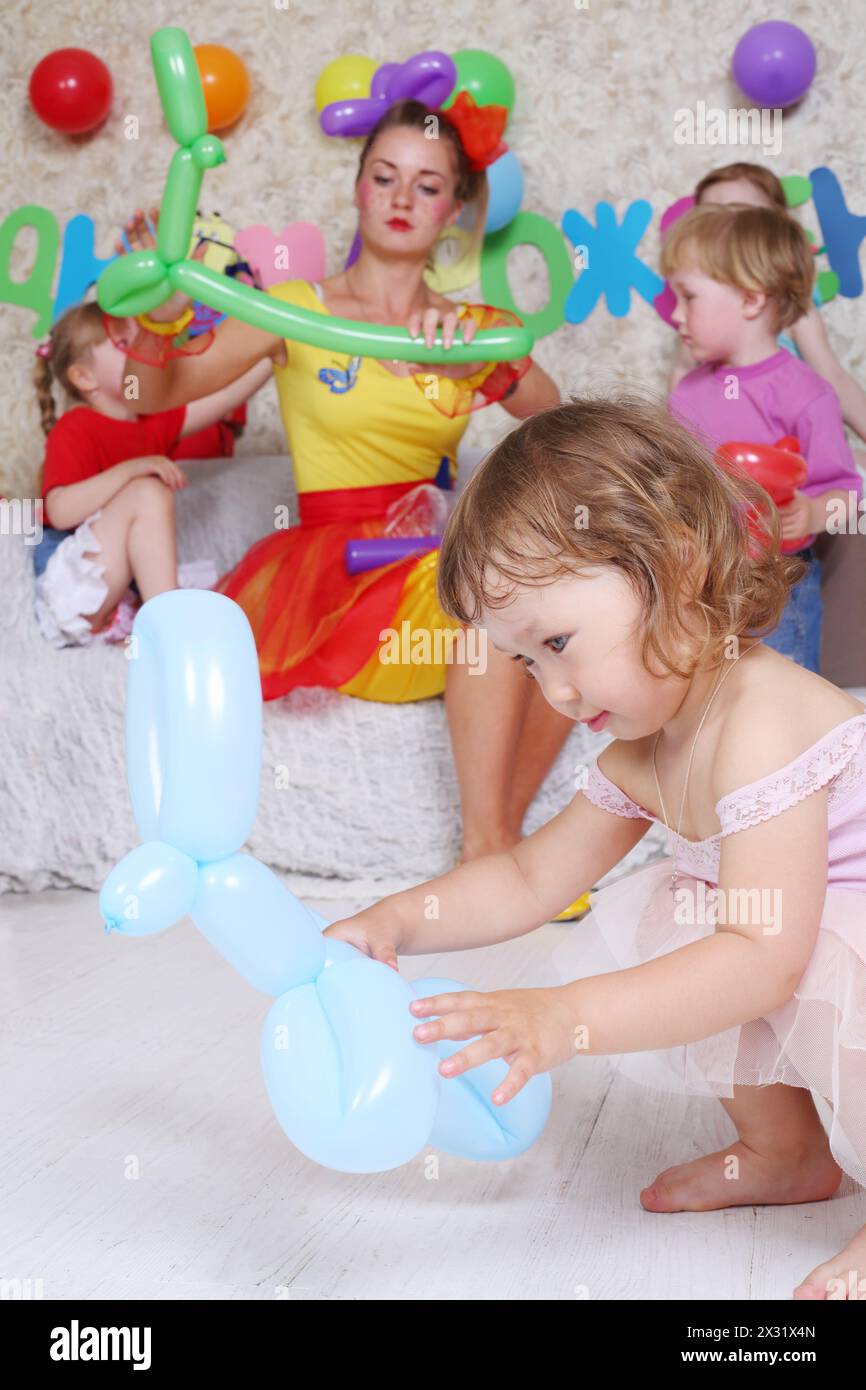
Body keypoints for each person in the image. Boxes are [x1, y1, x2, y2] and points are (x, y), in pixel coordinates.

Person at [323, 396, 866, 1301]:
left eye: (559, 643)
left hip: (829, 942)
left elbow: (766, 961)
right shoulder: (643, 753)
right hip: (794, 941)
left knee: (769, 952)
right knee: (681, 918)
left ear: (679, 564)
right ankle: (787, 1152)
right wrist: (396, 921)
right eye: (527, 662)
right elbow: (532, 876)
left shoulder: (761, 720)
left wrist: (560, 1016)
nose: (556, 692)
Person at [118, 98, 589, 919]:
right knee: (487, 601)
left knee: (568, 601)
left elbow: (559, 422)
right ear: (358, 188)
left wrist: (472, 353)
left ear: (452, 211)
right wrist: (158, 315)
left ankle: (498, 844)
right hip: (337, 573)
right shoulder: (294, 307)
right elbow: (155, 394)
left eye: (428, 184)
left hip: (436, 553)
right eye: (385, 176)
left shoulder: (467, 327)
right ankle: (487, 855)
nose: (404, 198)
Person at [668, 162, 866, 688]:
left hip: (780, 589)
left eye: (688, 298)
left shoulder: (806, 394)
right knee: (706, 699)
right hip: (699, 586)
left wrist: (810, 511)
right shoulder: (686, 392)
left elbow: (845, 491)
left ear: (752, 298)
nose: (675, 315)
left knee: (782, 695)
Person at [31, 300, 271, 647]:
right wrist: (130, 471)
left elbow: (225, 395)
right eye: (127, 346)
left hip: (118, 594)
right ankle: (170, 632)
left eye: (144, 341)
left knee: (217, 596)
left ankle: (157, 618)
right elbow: (59, 510)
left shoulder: (151, 422)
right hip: (75, 587)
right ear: (84, 377)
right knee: (148, 492)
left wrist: (276, 350)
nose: (143, 354)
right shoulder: (75, 427)